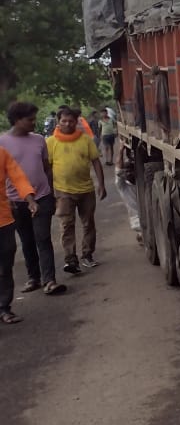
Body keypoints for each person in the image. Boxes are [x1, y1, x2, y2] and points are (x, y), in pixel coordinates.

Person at [0, 102, 66, 296]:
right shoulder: (2, 142)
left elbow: (46, 167)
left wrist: (51, 192)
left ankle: (50, 280)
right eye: (30, 120)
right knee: (27, 240)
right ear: (17, 120)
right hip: (15, 200)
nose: (34, 123)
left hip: (42, 196)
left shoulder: (39, 140)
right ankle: (34, 278)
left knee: (43, 238)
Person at [46, 107, 106, 274]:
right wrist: (50, 190)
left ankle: (87, 255)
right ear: (58, 122)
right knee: (66, 225)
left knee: (88, 223)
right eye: (63, 121)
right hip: (63, 191)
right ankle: (70, 260)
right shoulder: (51, 142)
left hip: (86, 190)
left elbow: (96, 162)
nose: (67, 124)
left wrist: (101, 185)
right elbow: (47, 167)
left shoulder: (85, 140)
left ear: (76, 121)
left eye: (71, 121)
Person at [0, 140, 39, 324]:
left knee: (4, 267)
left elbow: (18, 178)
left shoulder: (2, 153)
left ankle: (4, 308)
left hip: (3, 220)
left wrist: (30, 199)